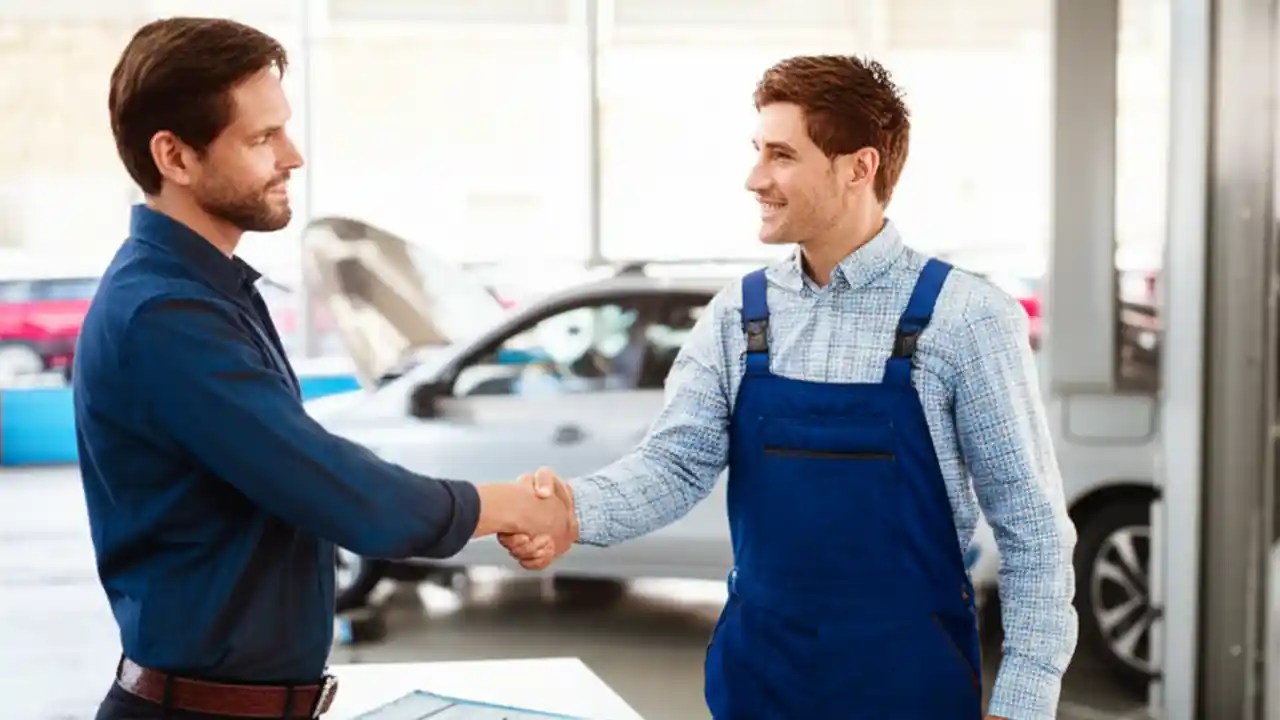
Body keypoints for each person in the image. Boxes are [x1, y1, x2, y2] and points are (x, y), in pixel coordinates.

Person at [504, 55, 1077, 719]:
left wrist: (1025, 702)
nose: (754, 178)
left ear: (858, 167)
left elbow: (1033, 528)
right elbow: (675, 465)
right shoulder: (737, 315)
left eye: (781, 155)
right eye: (757, 152)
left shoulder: (967, 318)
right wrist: (572, 511)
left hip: (908, 686)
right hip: (760, 682)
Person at [76, 17, 571, 720]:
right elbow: (334, 489)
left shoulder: (207, 293)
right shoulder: (164, 316)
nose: (293, 155)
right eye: (261, 138)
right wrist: (507, 505)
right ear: (175, 157)